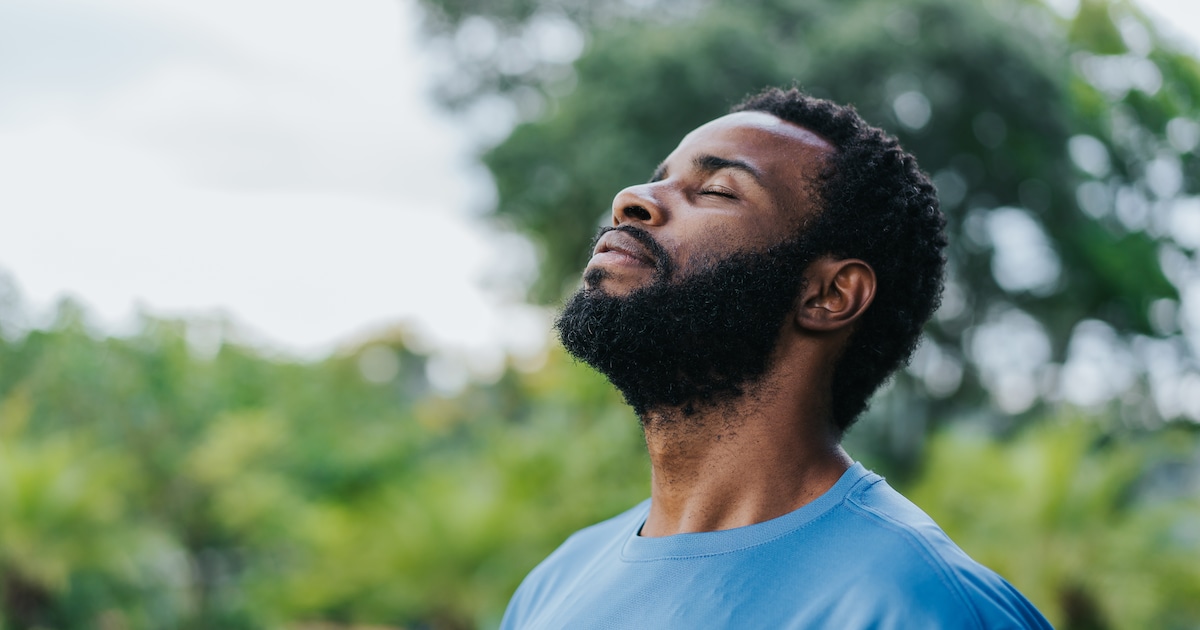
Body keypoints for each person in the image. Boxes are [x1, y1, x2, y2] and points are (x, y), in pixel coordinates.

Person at [500, 87, 1052, 629]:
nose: (631, 198)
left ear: (828, 296)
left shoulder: (921, 606)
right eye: (661, 175)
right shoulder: (555, 584)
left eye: (716, 189)